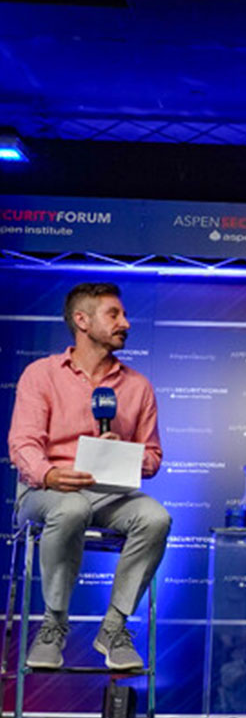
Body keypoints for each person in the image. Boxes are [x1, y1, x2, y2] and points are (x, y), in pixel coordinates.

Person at [8, 282, 171, 671]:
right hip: (44, 490)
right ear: (82, 320)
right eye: (114, 314)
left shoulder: (137, 386)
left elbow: (152, 457)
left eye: (124, 315)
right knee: (70, 509)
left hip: (108, 493)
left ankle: (113, 628)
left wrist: (123, 453)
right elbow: (23, 443)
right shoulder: (42, 374)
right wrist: (50, 473)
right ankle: (53, 625)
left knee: (156, 518)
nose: (125, 323)